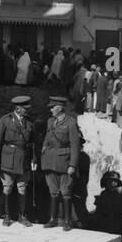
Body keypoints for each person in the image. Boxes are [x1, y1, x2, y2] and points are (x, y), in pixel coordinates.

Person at [0, 96, 36, 227]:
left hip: (24, 159)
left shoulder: (29, 122)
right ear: (18, 108)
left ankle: (22, 216)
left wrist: (34, 159)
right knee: (8, 187)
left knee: (22, 187)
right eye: (25, 108)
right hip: (9, 159)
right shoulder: (5, 120)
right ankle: (6, 215)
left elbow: (33, 143)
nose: (27, 111)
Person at [40, 97, 80, 230]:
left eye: (53, 107)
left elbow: (75, 145)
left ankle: (68, 221)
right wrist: (44, 148)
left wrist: (72, 165)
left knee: (66, 191)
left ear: (60, 108)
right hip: (50, 160)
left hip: (64, 161)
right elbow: (47, 138)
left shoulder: (71, 123)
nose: (50, 110)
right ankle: (53, 219)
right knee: (53, 191)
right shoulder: (50, 121)